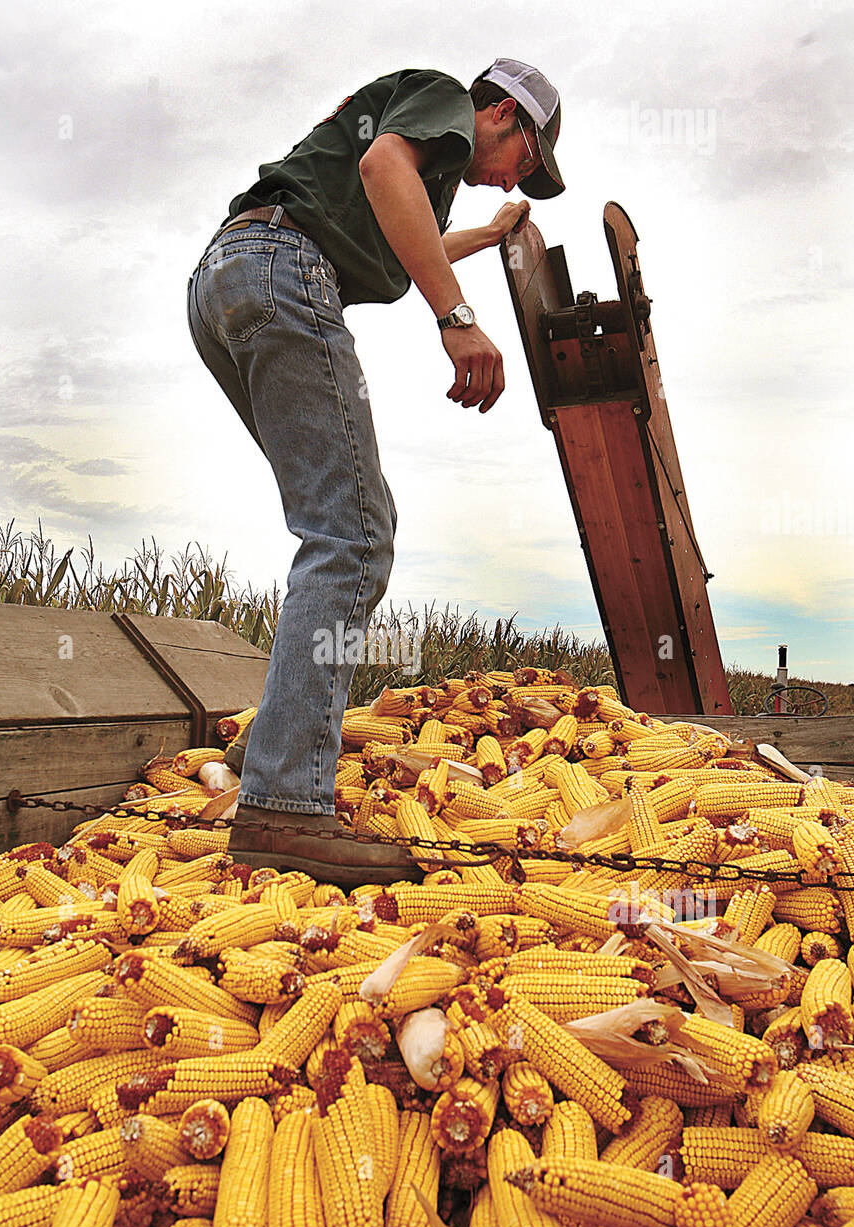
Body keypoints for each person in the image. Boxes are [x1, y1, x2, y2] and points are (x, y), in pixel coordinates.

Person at [186, 59, 565, 886]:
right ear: (502, 113)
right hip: (283, 268)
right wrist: (457, 318)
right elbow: (380, 164)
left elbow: (408, 236)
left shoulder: (423, 185)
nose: (510, 175)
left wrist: (492, 235)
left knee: (331, 528)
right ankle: (285, 808)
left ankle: (273, 741)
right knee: (354, 538)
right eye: (523, 160)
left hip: (227, 277)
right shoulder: (439, 101)